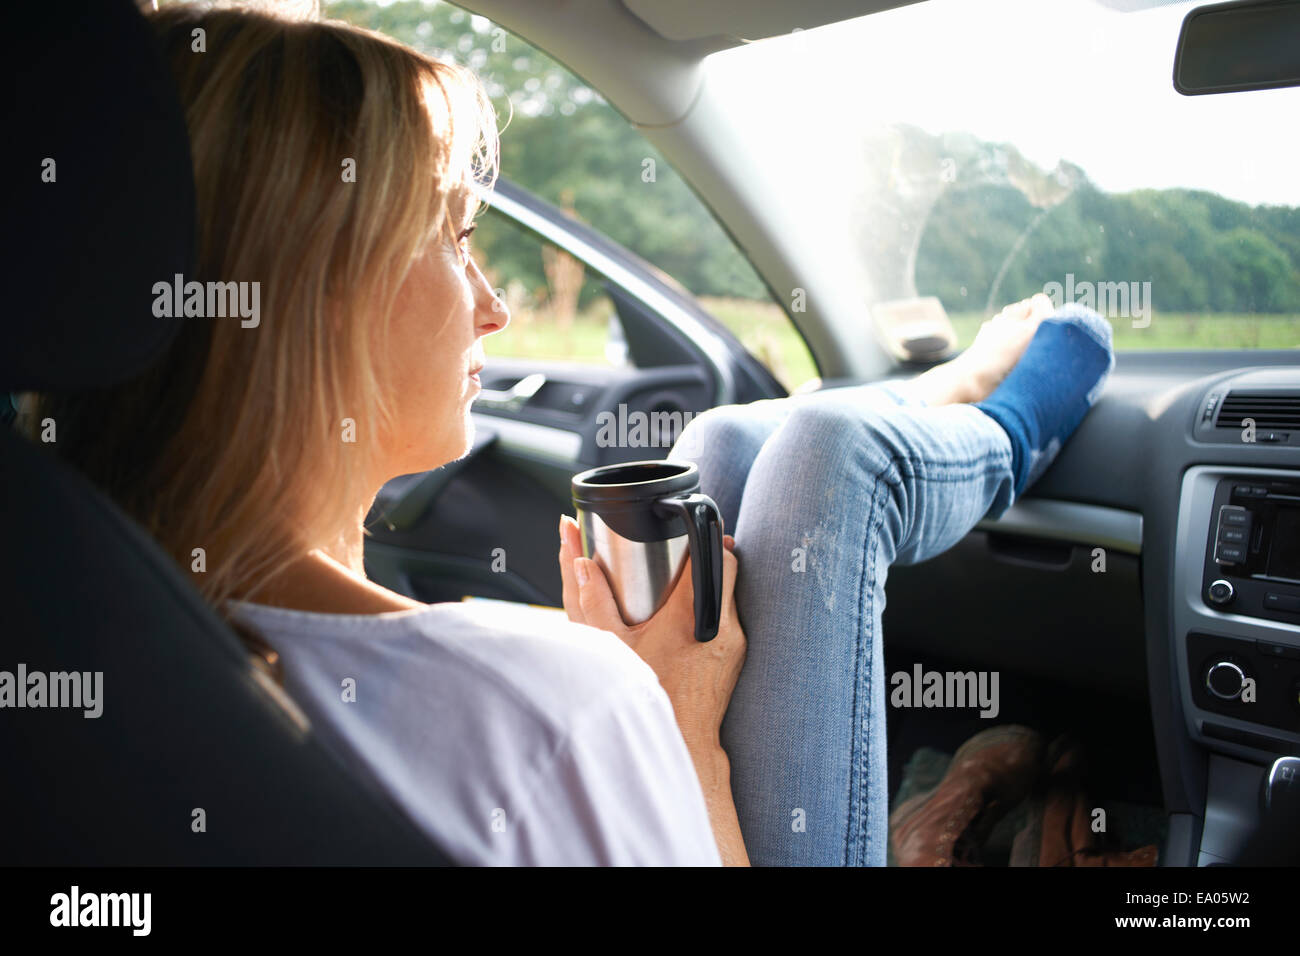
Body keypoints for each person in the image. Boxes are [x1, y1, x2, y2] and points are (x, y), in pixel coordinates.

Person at [24, 7, 1112, 866]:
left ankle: (954, 399)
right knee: (832, 453)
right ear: (320, 295)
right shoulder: (554, 708)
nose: (494, 304)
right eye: (453, 236)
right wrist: (673, 716)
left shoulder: (71, 604)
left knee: (732, 443)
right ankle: (1005, 427)